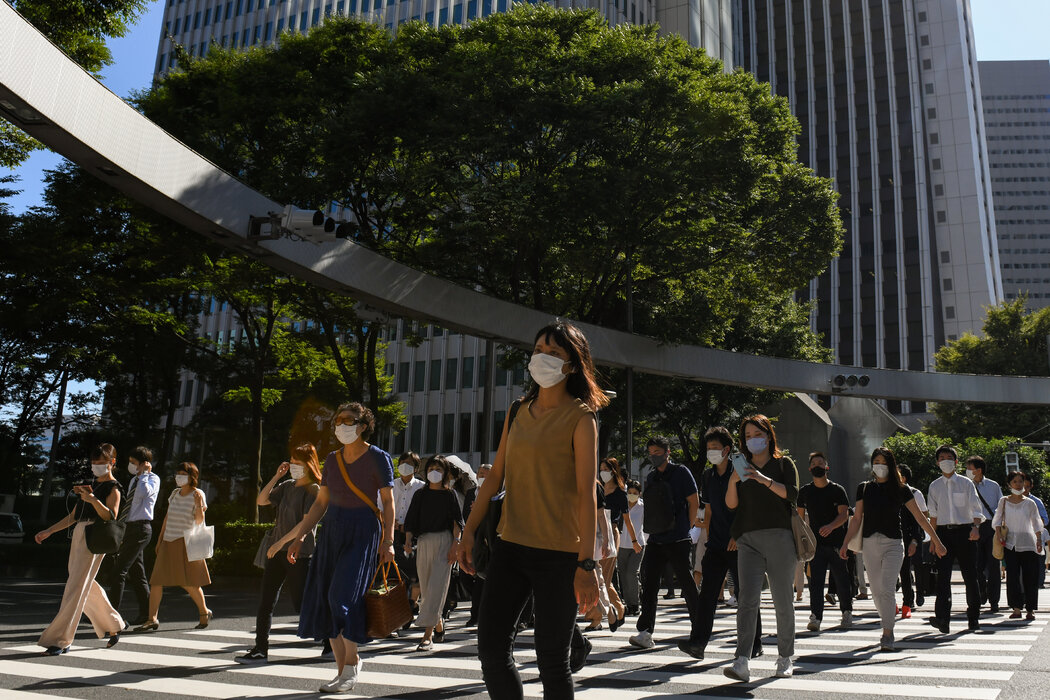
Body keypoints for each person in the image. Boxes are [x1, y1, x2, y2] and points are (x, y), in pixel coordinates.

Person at [456, 321, 605, 699]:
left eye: (554, 353)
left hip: (559, 555)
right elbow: (494, 478)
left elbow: (588, 495)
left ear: (572, 364)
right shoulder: (518, 410)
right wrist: (468, 530)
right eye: (539, 348)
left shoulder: (581, 417)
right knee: (491, 652)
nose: (543, 357)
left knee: (552, 662)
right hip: (510, 548)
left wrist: (586, 566)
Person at [287, 402, 395, 694]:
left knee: (341, 597)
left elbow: (388, 501)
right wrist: (300, 536)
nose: (342, 425)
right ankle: (341, 673)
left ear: (363, 425)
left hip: (363, 532)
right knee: (327, 602)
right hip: (332, 531)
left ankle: (353, 662)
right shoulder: (332, 460)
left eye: (349, 420)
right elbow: (321, 502)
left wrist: (389, 541)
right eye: (338, 420)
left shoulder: (379, 457)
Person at [838, 448, 945, 651]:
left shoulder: (901, 489)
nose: (880, 465)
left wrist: (936, 541)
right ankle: (887, 619)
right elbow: (857, 518)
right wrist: (845, 543)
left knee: (886, 588)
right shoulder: (864, 488)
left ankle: (887, 632)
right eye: (876, 461)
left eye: (884, 462)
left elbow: (920, 517)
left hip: (894, 544)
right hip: (869, 543)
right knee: (877, 591)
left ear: (891, 465)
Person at [723, 415, 798, 683]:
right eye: (747, 436)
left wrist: (763, 479)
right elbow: (731, 505)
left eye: (757, 433)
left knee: (782, 600)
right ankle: (742, 659)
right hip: (748, 539)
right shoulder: (741, 467)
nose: (752, 439)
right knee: (747, 600)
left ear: (768, 435)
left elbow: (792, 494)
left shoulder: (783, 463)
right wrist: (734, 481)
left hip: (780, 537)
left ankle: (785, 656)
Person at [35, 444, 126, 655]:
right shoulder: (91, 485)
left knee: (76, 586)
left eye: (101, 463)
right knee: (82, 583)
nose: (96, 467)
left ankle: (61, 639)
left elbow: (111, 515)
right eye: (94, 463)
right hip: (80, 533)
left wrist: (93, 500)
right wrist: (49, 530)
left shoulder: (114, 487)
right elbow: (75, 516)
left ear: (112, 462)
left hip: (95, 537)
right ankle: (114, 624)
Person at [236, 444, 323, 664]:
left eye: (298, 463)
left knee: (302, 603)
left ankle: (332, 640)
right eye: (291, 462)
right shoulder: (287, 486)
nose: (293, 466)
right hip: (277, 552)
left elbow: (305, 523)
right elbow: (261, 500)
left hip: (299, 553)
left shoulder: (314, 490)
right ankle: (260, 649)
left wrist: (279, 543)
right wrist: (276, 476)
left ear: (309, 464)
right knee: (266, 602)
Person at [688, 426, 761, 661]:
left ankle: (755, 643)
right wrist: (708, 539)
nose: (710, 452)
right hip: (716, 544)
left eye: (715, 448)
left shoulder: (739, 469)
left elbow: (749, 506)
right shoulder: (707, 476)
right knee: (707, 595)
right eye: (708, 448)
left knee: (745, 595)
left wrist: (737, 536)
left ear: (727, 449)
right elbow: (707, 510)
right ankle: (698, 643)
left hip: (741, 542)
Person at [628, 436, 701, 653]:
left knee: (687, 585)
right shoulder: (650, 477)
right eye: (651, 451)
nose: (653, 455)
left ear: (667, 452)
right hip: (656, 539)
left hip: (677, 538)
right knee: (649, 584)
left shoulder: (681, 473)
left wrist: (685, 528)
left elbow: (694, 501)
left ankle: (698, 628)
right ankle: (645, 631)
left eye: (657, 451)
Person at [136, 462, 212, 632]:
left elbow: (200, 521)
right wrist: (160, 540)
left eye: (182, 473)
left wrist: (199, 504)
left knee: (189, 583)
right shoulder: (175, 493)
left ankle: (204, 612)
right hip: (168, 540)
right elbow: (167, 517)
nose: (178, 476)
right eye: (177, 473)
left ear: (192, 476)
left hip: (185, 542)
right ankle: (152, 619)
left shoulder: (198, 494)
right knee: (156, 581)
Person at [404, 455, 463, 651]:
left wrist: (456, 544)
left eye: (438, 469)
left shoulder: (450, 495)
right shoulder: (420, 495)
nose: (434, 472)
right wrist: (407, 541)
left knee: (437, 587)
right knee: (427, 588)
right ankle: (438, 624)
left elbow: (457, 523)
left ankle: (427, 635)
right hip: (424, 541)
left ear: (445, 473)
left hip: (444, 542)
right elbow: (411, 520)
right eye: (431, 468)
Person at [926, 444, 984, 633]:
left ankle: (973, 617)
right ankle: (943, 619)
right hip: (942, 534)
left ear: (956, 462)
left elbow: (976, 508)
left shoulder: (966, 483)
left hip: (965, 532)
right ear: (937, 463)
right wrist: (933, 540)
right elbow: (932, 515)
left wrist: (975, 527)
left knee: (970, 576)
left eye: (949, 458)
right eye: (941, 458)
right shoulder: (934, 486)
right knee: (943, 578)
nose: (945, 461)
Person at [797, 451, 852, 632]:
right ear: (809, 468)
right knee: (815, 582)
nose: (817, 466)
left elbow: (844, 514)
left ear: (827, 467)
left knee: (842, 579)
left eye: (821, 463)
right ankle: (815, 617)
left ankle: (846, 612)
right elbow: (799, 518)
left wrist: (831, 526)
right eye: (814, 464)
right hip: (814, 546)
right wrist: (801, 541)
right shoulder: (805, 492)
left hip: (837, 543)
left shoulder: (837, 490)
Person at [108, 445, 159, 626]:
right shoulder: (133, 480)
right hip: (130, 528)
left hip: (142, 529)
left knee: (119, 571)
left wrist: (144, 474)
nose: (131, 465)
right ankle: (147, 614)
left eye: (134, 462)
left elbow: (146, 494)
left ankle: (111, 616)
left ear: (144, 463)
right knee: (138, 574)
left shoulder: (152, 479)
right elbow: (129, 506)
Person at [993, 470, 1044, 620]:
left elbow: (1036, 522)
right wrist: (998, 535)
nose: (1018, 484)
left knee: (1030, 577)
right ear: (1009, 484)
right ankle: (1016, 608)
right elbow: (996, 521)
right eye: (1015, 481)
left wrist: (1039, 540)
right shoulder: (1003, 501)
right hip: (1010, 543)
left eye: (1020, 481)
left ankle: (1030, 609)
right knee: (1012, 577)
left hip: (1028, 543)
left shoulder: (1030, 502)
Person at [598, 457, 635, 631]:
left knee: (603, 579)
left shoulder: (620, 493)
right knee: (601, 578)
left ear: (613, 471)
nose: (602, 471)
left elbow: (627, 520)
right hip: (595, 534)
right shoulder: (598, 487)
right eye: (601, 468)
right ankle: (619, 607)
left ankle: (603, 615)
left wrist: (634, 541)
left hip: (611, 534)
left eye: (606, 468)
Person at [967, 456, 1004, 613]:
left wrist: (1000, 529)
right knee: (975, 566)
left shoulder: (993, 486)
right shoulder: (965, 485)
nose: (967, 471)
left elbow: (1001, 507)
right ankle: (982, 590)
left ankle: (994, 601)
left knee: (994, 566)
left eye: (969, 468)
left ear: (979, 470)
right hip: (971, 527)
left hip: (991, 527)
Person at [391, 451, 424, 616]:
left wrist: (409, 527)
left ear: (416, 468)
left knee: (414, 574)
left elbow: (424, 514)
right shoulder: (390, 485)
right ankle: (401, 610)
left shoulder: (421, 487)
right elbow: (380, 508)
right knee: (395, 575)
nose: (405, 466)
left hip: (413, 537)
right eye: (403, 462)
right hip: (393, 535)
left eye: (410, 464)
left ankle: (411, 603)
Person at [898, 465, 928, 614]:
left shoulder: (915, 493)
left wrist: (915, 540)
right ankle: (908, 600)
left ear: (904, 477)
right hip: (900, 536)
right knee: (904, 569)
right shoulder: (893, 494)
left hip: (915, 534)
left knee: (918, 564)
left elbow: (922, 515)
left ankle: (920, 592)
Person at [616, 480, 645, 617]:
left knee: (631, 573)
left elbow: (647, 527)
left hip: (637, 545)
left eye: (635, 493)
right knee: (623, 574)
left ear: (639, 494)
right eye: (629, 493)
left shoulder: (643, 507)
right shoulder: (621, 505)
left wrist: (644, 541)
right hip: (621, 545)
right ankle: (628, 604)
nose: (632, 495)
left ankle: (635, 604)